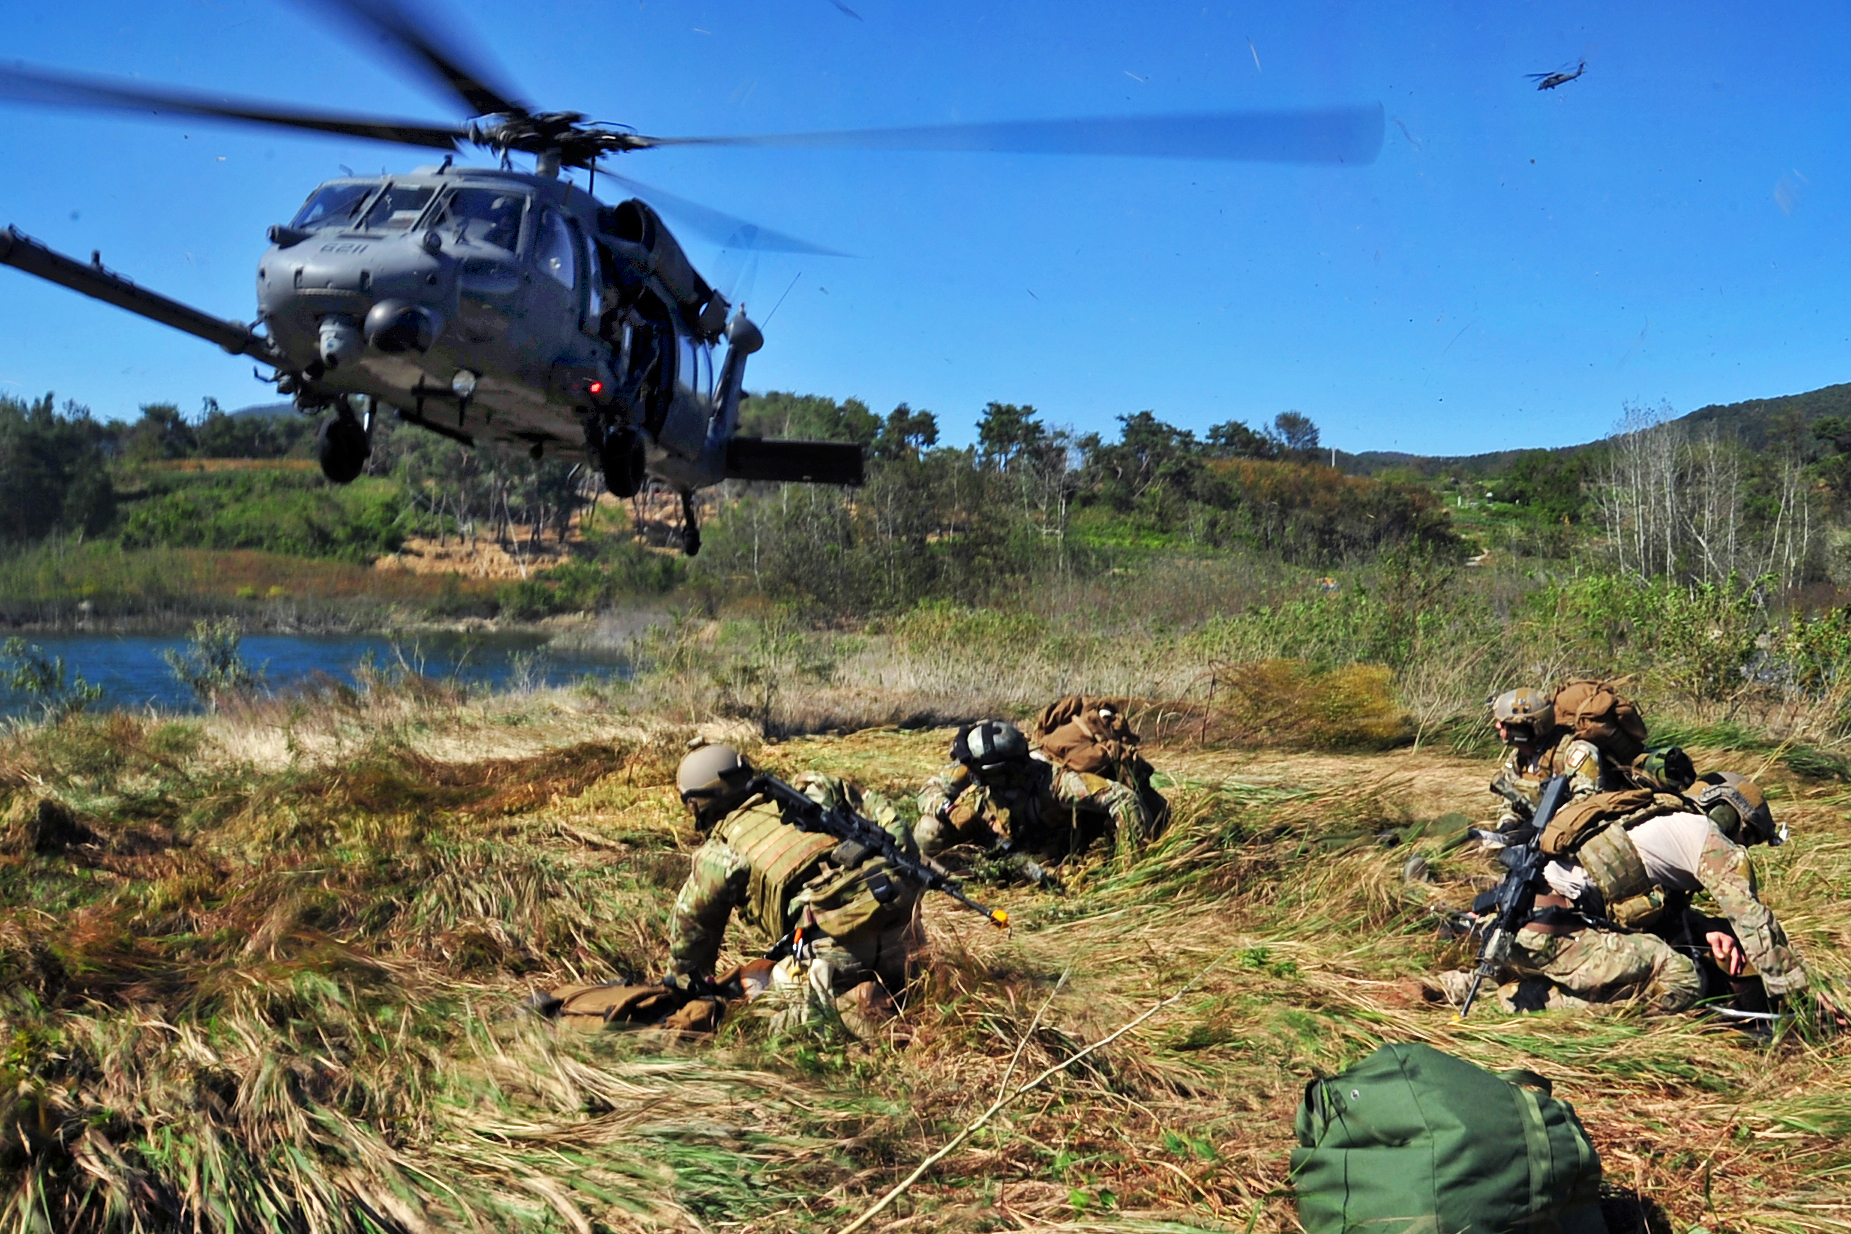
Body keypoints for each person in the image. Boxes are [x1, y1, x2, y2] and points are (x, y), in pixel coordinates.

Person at [1442, 771, 1835, 1023]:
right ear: (1730, 818)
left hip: (1514, 929)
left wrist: (1706, 927)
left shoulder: (1651, 817)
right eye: (1747, 836)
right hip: (1552, 937)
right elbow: (1754, 923)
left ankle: (1456, 985)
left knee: (1642, 954)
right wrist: (1799, 999)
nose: (1743, 847)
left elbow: (1645, 910)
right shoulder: (1712, 840)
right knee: (1681, 979)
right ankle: (1518, 1003)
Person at [666, 744, 923, 1036]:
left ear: (695, 803)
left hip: (830, 945)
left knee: (751, 1020)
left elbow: (690, 940)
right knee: (903, 982)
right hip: (906, 929)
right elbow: (886, 815)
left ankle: (848, 1009)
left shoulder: (719, 854)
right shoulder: (811, 797)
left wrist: (685, 992)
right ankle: (900, 987)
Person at [914, 719, 1149, 876]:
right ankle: (953, 876)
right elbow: (928, 789)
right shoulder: (972, 768)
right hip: (996, 843)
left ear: (999, 770)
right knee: (928, 829)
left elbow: (1123, 799)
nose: (972, 777)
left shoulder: (1055, 783)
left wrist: (1130, 866)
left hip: (1050, 852)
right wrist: (950, 809)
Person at [1483, 687, 1619, 842]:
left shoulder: (1576, 751)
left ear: (1523, 729)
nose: (1498, 726)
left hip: (1578, 836)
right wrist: (1507, 824)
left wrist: (1542, 828)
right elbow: (1511, 800)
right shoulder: (1518, 758)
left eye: (1504, 723)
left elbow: (1585, 802)